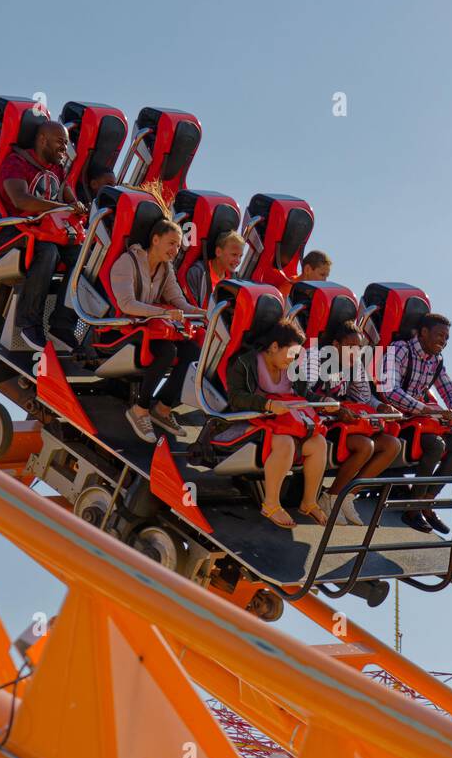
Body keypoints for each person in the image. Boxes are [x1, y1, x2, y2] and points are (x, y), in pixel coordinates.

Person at [225, 320, 331, 529]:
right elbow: (235, 398)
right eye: (290, 353)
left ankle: (308, 501)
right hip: (254, 420)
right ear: (274, 346)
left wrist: (323, 402)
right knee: (285, 443)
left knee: (319, 443)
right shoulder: (246, 364)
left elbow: (304, 395)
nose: (293, 359)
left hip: (287, 422)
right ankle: (271, 504)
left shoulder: (291, 367)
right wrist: (268, 404)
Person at [0, 119, 88, 352]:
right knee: (48, 252)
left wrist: (73, 204)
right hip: (15, 231)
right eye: (60, 142)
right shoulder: (16, 163)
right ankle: (28, 323)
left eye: (66, 144)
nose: (64, 149)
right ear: (42, 139)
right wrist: (58, 208)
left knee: (82, 257)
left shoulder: (57, 168)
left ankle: (62, 326)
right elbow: (20, 199)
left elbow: (65, 192)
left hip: (47, 231)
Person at [108, 217, 203, 443]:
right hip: (122, 330)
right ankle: (139, 410)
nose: (175, 250)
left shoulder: (166, 269)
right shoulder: (127, 261)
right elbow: (127, 304)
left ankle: (162, 409)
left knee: (192, 352)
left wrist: (202, 312)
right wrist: (162, 314)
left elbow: (178, 301)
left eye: (178, 246)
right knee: (168, 351)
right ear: (156, 239)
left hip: (149, 329)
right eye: (171, 243)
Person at [382, 313, 452, 533]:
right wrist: (423, 408)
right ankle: (413, 509)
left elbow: (448, 387)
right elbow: (389, 390)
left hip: (421, 421)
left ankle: (427, 500)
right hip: (395, 418)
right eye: (440, 335)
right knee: (435, 445)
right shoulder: (401, 350)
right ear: (423, 332)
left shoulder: (436, 360)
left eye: (447, 338)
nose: (444, 341)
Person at [312, 320, 402, 525]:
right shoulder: (318, 361)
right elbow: (303, 394)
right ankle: (331, 496)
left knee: (391, 445)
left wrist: (380, 407)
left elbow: (364, 398)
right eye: (350, 347)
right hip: (322, 422)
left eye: (359, 348)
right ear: (335, 345)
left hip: (343, 423)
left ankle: (348, 496)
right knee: (365, 446)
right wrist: (334, 407)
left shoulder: (354, 366)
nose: (356, 352)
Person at [184, 228, 246, 307]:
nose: (238, 261)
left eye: (240, 256)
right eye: (234, 255)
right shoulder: (197, 273)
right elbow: (190, 307)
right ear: (218, 252)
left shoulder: (234, 280)